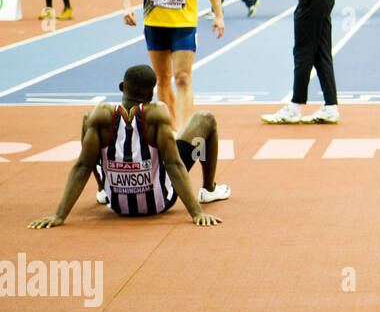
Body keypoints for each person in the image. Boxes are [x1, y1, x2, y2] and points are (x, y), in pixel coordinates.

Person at [26, 64, 229, 229]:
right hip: (159, 204)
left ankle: (102, 191)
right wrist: (196, 212)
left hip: (118, 205)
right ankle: (209, 189)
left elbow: (82, 166)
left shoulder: (101, 115)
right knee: (205, 118)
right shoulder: (157, 113)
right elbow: (174, 164)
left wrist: (60, 215)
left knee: (88, 121)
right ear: (151, 94)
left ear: (122, 86)